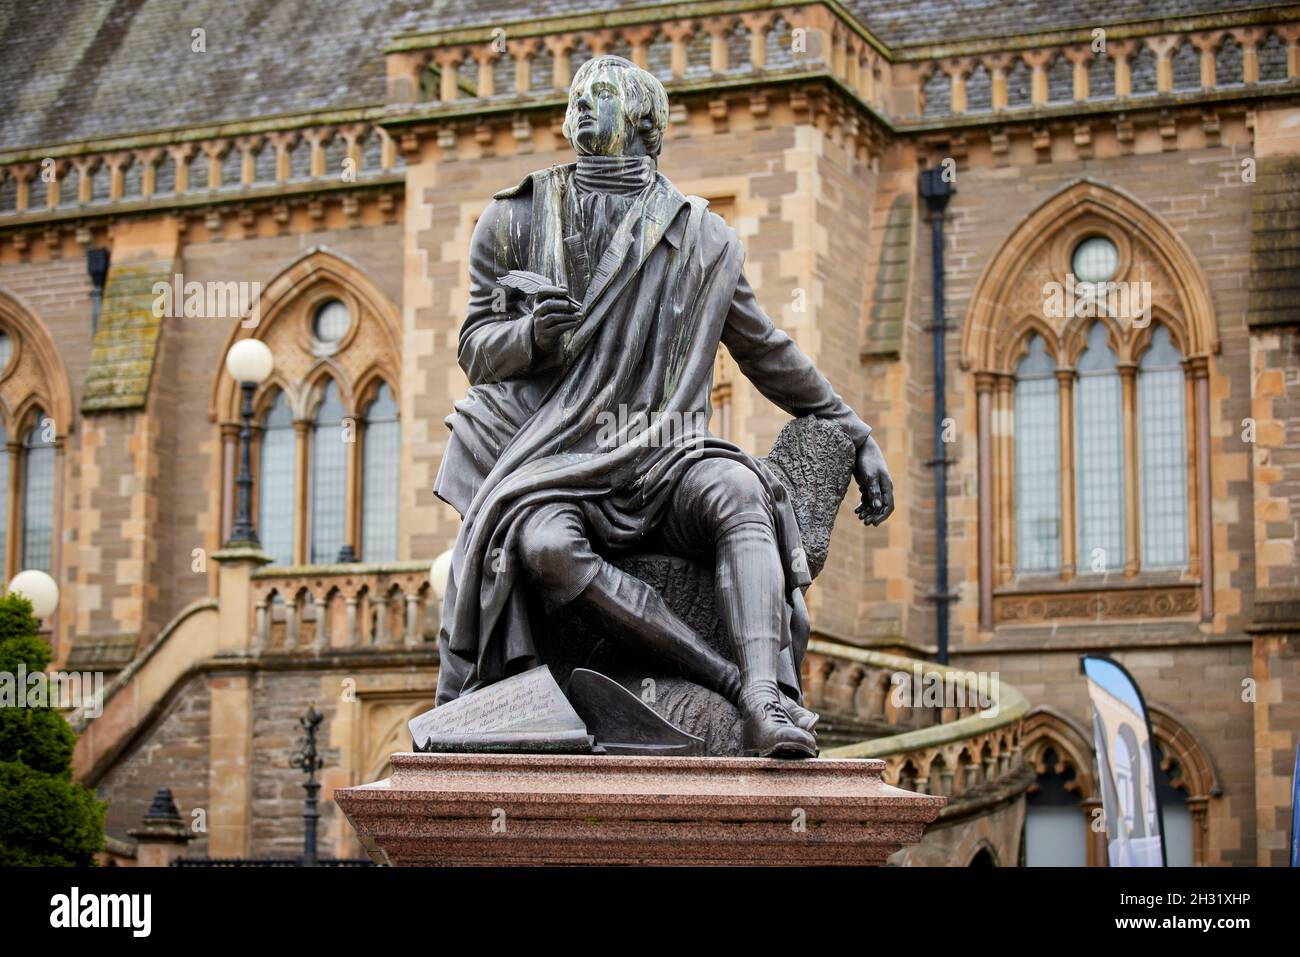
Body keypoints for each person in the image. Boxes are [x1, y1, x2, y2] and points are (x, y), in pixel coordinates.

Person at [434, 55, 894, 757]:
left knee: (741, 493)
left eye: (605, 93)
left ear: (646, 122)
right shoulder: (514, 219)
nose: (585, 103)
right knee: (545, 547)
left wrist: (853, 428)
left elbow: (765, 350)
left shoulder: (704, 239)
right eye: (578, 94)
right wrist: (531, 336)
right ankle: (732, 682)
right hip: (558, 459)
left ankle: (768, 700)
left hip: (667, 454)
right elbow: (474, 347)